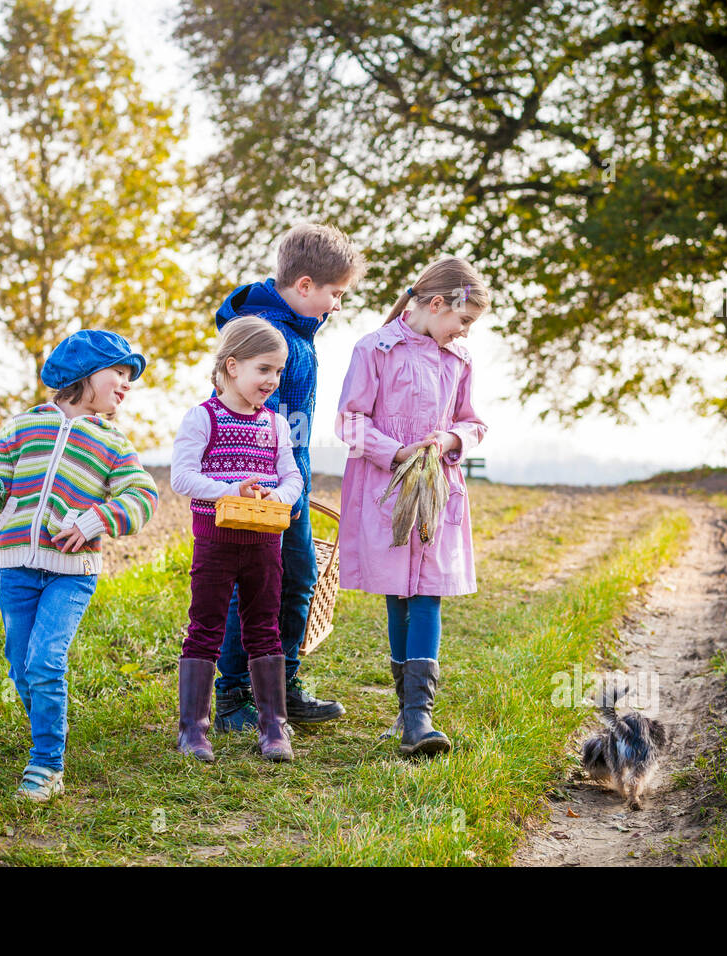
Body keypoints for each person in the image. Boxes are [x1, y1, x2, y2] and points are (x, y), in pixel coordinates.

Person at [0, 330, 158, 801]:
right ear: (83, 374)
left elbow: (144, 496)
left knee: (47, 662)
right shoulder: (22, 428)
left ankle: (47, 763)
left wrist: (97, 519)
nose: (127, 384)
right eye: (119, 372)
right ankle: (48, 726)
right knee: (22, 666)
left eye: (130, 376)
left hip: (72, 575)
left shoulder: (112, 441)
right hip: (17, 570)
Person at [211, 223, 365, 732]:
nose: (337, 305)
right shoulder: (267, 335)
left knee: (298, 579)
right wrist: (271, 483)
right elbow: (258, 417)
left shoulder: (299, 330)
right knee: (250, 587)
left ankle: (283, 684)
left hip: (291, 482)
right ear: (304, 286)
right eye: (335, 294)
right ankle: (233, 694)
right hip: (260, 488)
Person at [333, 256, 490, 757]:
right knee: (396, 594)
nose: (463, 332)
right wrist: (395, 453)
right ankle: (406, 714)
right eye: (462, 321)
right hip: (386, 490)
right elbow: (350, 422)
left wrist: (449, 438)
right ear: (438, 303)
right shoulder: (373, 350)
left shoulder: (459, 360)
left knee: (427, 592)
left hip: (436, 490)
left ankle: (420, 715)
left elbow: (474, 422)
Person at [171, 317, 304, 762]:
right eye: (264, 369)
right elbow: (182, 476)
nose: (273, 380)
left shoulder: (276, 425)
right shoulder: (203, 417)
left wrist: (275, 496)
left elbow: (293, 478)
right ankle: (193, 729)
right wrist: (232, 489)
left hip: (264, 544)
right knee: (205, 626)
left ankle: (274, 728)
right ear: (232, 366)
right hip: (215, 541)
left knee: (264, 626)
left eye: (279, 371)